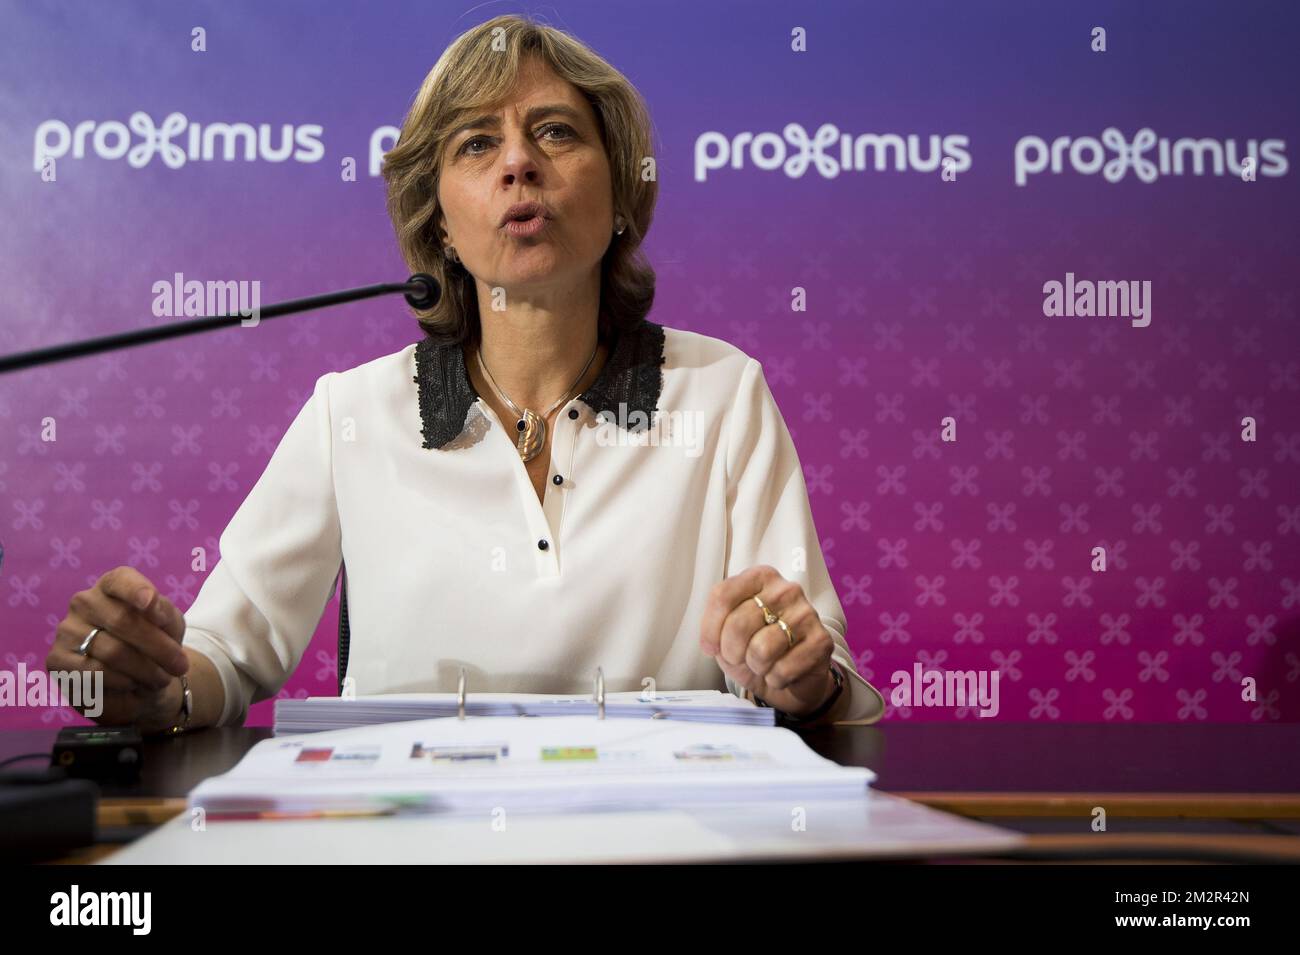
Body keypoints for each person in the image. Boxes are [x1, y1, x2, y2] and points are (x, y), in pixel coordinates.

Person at [45, 14, 885, 734]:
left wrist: (801, 681)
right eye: (478, 143)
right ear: (440, 222)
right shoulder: (354, 411)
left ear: (623, 191)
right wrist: (155, 687)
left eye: (556, 131)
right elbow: (224, 656)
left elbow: (828, 680)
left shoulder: (722, 391)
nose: (518, 164)